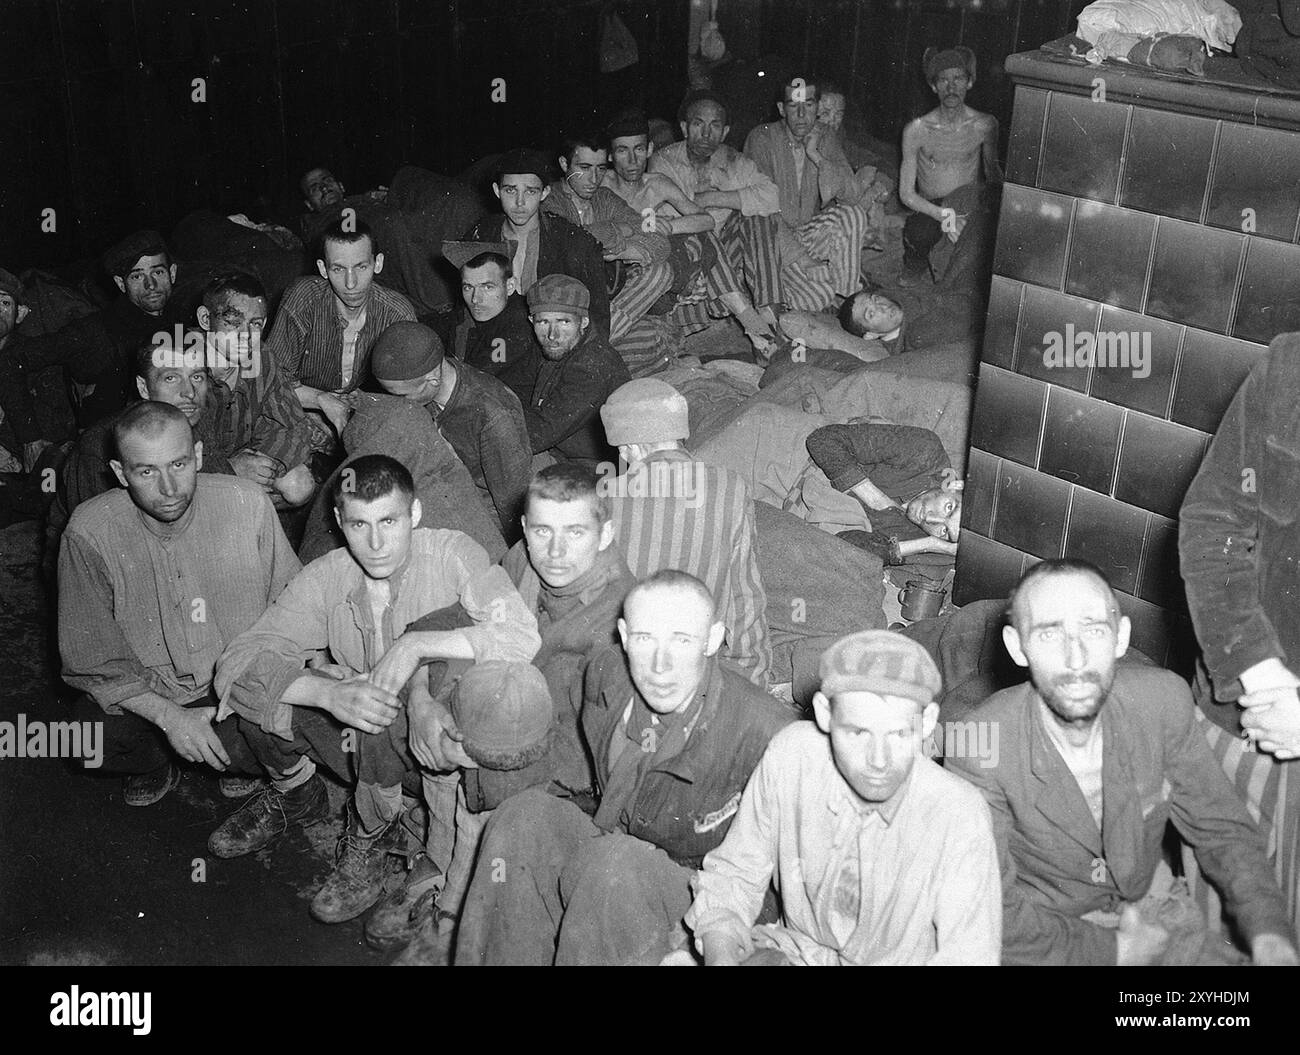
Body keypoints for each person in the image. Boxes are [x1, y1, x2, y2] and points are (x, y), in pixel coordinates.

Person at [211, 454, 539, 927]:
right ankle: (299, 795)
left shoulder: (452, 553)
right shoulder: (328, 574)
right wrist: (324, 694)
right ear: (340, 522)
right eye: (360, 524)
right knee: (261, 706)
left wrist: (414, 647)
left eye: (390, 520)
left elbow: (520, 635)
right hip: (362, 736)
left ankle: (378, 831)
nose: (377, 542)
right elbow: (238, 660)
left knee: (397, 709)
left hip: (435, 744)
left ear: (416, 515)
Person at [947, 560, 1298, 965]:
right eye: (1049, 633)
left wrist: (1271, 933)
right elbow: (991, 909)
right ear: (1016, 647)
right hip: (1047, 937)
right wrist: (1118, 950)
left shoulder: (1162, 701)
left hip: (1153, 909)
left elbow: (1221, 828)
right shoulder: (977, 743)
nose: (1075, 658)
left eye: (1094, 629)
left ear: (1121, 638)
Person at [455, 570, 792, 965]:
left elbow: (785, 893)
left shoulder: (769, 734)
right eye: (646, 639)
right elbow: (570, 755)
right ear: (625, 636)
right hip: (617, 848)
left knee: (614, 864)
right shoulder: (606, 673)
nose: (660, 666)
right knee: (523, 816)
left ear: (713, 639)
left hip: (703, 899)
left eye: (681, 640)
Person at [377, 462, 636, 964]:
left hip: (566, 769)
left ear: (606, 533)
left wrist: (476, 750)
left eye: (575, 532)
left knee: (474, 760)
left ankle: (458, 901)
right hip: (502, 718)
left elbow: (594, 754)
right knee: (429, 710)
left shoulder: (621, 619)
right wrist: (423, 701)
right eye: (542, 531)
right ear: (524, 528)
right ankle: (437, 861)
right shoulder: (522, 561)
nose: (555, 552)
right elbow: (450, 621)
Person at [684, 630, 1001, 965]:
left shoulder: (958, 813)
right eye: (858, 732)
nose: (879, 760)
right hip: (797, 953)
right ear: (824, 713)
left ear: (927, 723)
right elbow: (736, 874)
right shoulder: (794, 755)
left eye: (898, 734)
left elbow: (969, 956)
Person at [58, 402, 300, 806]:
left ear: (200, 457)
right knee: (86, 741)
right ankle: (157, 761)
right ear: (121, 474)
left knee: (269, 735)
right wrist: (170, 718)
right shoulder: (89, 531)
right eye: (147, 472)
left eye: (179, 465)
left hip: (235, 684)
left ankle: (235, 755)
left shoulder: (246, 502)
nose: (169, 489)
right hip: (150, 691)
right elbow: (90, 659)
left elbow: (294, 607)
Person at [1180, 334, 1300, 933]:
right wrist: (1261, 672)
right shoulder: (1290, 364)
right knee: (1222, 944)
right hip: (1245, 722)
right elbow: (1214, 522)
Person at [600, 378, 772, 686]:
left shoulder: (606, 495)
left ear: (627, 449)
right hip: (701, 664)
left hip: (627, 667)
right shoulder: (730, 486)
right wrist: (753, 680)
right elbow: (746, 596)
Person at [648, 90, 786, 357]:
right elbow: (667, 218)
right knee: (701, 227)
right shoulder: (664, 162)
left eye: (715, 126)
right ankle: (753, 324)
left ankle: (768, 319)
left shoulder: (735, 161)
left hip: (726, 265)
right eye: (698, 124)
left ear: (724, 132)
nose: (706, 134)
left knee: (758, 216)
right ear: (685, 127)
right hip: (688, 261)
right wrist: (711, 209)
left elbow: (771, 197)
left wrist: (713, 196)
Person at [371, 320, 531, 542]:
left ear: (433, 380)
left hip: (483, 510)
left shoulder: (492, 414)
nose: (398, 404)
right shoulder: (431, 380)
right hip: (440, 488)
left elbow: (513, 504)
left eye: (401, 396)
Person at [8, 231, 185, 432]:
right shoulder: (96, 330)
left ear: (172, 273)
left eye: (158, 272)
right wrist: (29, 437)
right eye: (137, 276)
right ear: (121, 284)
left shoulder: (181, 321)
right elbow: (10, 360)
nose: (150, 284)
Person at [264, 219, 416, 446]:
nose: (351, 283)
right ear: (323, 269)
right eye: (338, 269)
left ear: (378, 263)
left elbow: (410, 389)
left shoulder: (397, 313)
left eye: (361, 267)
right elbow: (269, 380)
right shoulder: (303, 299)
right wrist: (320, 400)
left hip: (363, 406)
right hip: (302, 403)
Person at [744, 77, 874, 312]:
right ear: (782, 109)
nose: (802, 114)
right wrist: (802, 258)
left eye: (810, 105)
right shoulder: (761, 138)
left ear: (817, 106)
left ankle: (848, 299)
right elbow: (761, 210)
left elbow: (852, 195)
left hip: (808, 231)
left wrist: (816, 155)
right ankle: (777, 288)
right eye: (794, 106)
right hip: (774, 238)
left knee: (853, 215)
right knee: (818, 297)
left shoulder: (824, 135)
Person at [542, 133, 673, 357]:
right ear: (564, 164)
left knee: (662, 272)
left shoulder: (603, 198)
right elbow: (574, 243)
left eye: (601, 168)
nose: (594, 178)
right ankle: (591, 347)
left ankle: (597, 342)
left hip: (604, 297)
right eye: (584, 167)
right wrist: (617, 230)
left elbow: (659, 241)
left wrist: (624, 249)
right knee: (648, 340)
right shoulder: (550, 199)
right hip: (565, 299)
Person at [193, 271, 315, 507]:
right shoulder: (181, 363)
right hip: (198, 470)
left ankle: (247, 512)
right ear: (205, 319)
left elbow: (291, 425)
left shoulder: (260, 355)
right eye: (233, 322)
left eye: (255, 324)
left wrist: (266, 467)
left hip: (244, 455)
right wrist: (229, 468)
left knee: (300, 485)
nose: (246, 336)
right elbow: (168, 452)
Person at [461, 148, 611, 339]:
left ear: (544, 193)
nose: (520, 202)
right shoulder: (480, 236)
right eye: (510, 190)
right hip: (497, 344)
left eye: (530, 191)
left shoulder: (573, 241)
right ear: (497, 191)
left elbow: (598, 317)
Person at [897, 46, 1001, 289]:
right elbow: (905, 194)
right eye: (943, 80)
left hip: (969, 200)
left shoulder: (985, 124)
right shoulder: (917, 130)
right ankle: (914, 265)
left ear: (970, 82)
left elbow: (993, 174)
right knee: (920, 232)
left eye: (958, 78)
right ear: (934, 87)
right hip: (932, 206)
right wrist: (945, 216)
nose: (951, 87)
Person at [503, 273, 630, 466]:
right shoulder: (553, 347)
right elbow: (511, 384)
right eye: (543, 322)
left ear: (584, 322)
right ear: (531, 321)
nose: (552, 335)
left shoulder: (592, 364)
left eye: (564, 322)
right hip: (561, 452)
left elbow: (539, 434)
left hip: (598, 468)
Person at [432, 248, 540, 378]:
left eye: (487, 287)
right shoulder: (467, 313)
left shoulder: (521, 323)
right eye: (468, 287)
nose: (475, 299)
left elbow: (476, 374)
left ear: (510, 286)